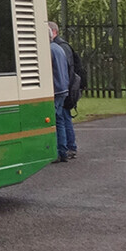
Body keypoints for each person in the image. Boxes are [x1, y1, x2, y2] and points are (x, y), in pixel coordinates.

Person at [49, 21, 77, 162]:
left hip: (56, 89)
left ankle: (61, 150)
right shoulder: (59, 48)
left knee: (56, 120)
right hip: (63, 87)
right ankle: (64, 150)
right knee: (60, 119)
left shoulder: (50, 49)